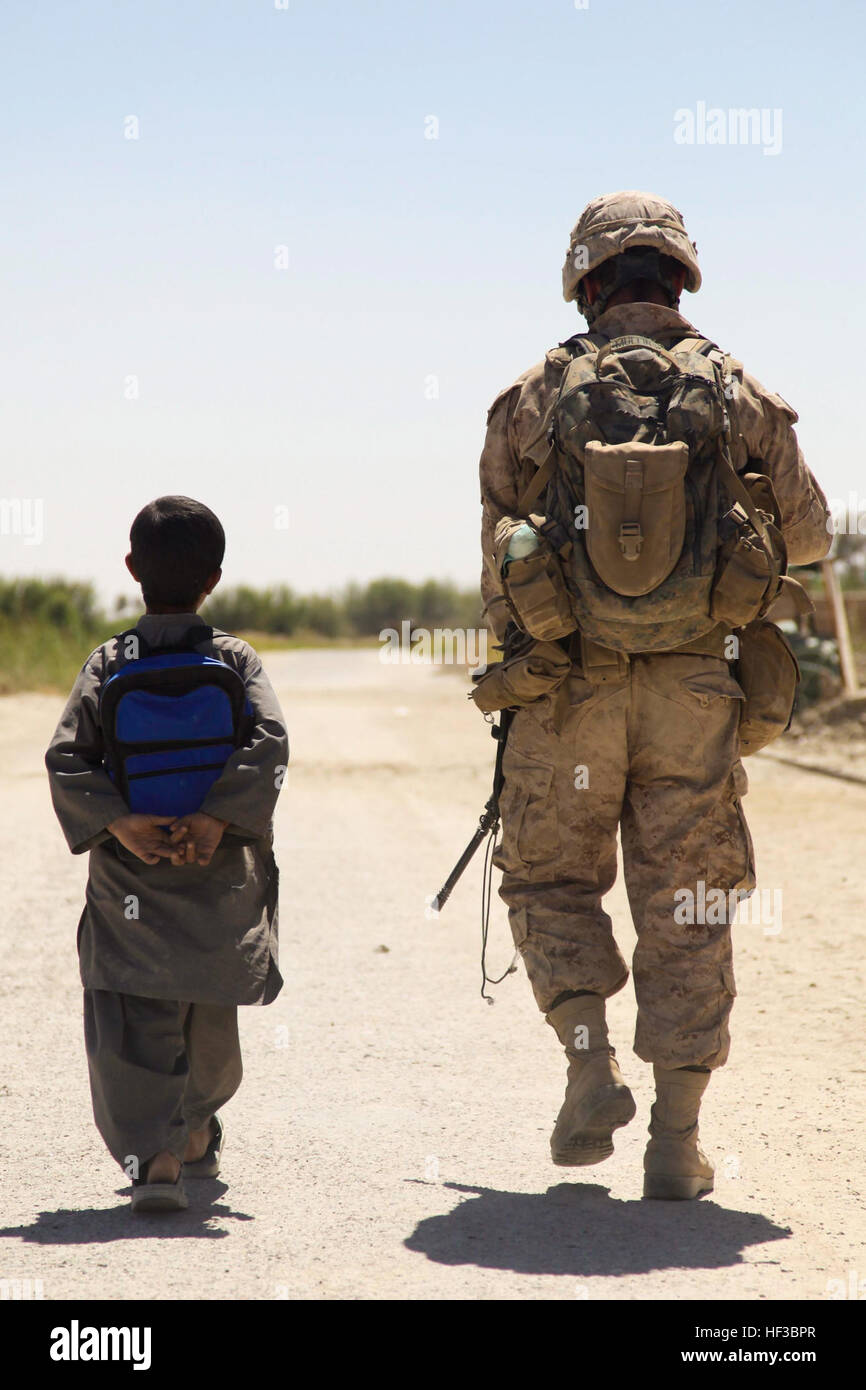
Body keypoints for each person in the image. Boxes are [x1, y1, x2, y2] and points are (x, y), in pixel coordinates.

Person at [478, 191, 831, 1199]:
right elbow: (804, 535)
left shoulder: (531, 395)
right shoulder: (735, 390)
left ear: (585, 283)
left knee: (551, 883)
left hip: (566, 688)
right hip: (692, 687)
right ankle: (674, 1143)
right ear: (677, 278)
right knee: (689, 902)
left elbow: (499, 567)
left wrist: (518, 674)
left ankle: (590, 1067)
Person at [46, 496, 288, 1212]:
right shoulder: (234, 659)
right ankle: (193, 1131)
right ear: (213, 578)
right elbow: (269, 744)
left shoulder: (110, 660)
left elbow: (68, 757)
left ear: (131, 570)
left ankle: (154, 1154)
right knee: (209, 1003)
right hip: (216, 874)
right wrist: (215, 821)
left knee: (130, 1006)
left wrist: (121, 825)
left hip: (132, 876)